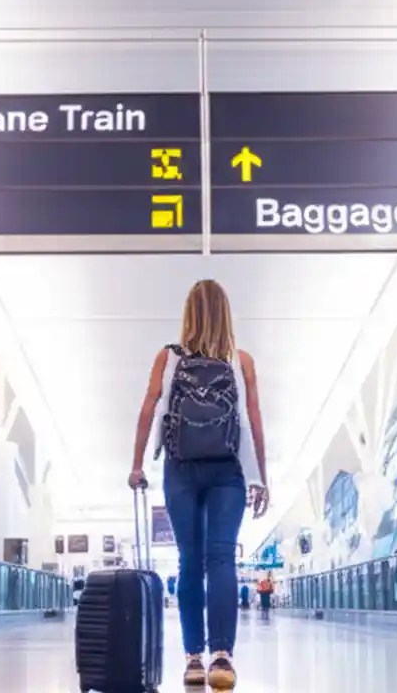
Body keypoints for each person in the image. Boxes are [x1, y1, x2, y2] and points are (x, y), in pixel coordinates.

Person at [129, 279, 268, 690]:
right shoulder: (241, 361)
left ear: (188, 314)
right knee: (222, 559)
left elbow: (147, 408)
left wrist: (136, 465)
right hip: (229, 471)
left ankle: (192, 659)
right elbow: (254, 422)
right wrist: (262, 477)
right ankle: (222, 657)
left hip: (180, 468)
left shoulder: (168, 359)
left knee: (190, 561)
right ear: (227, 314)